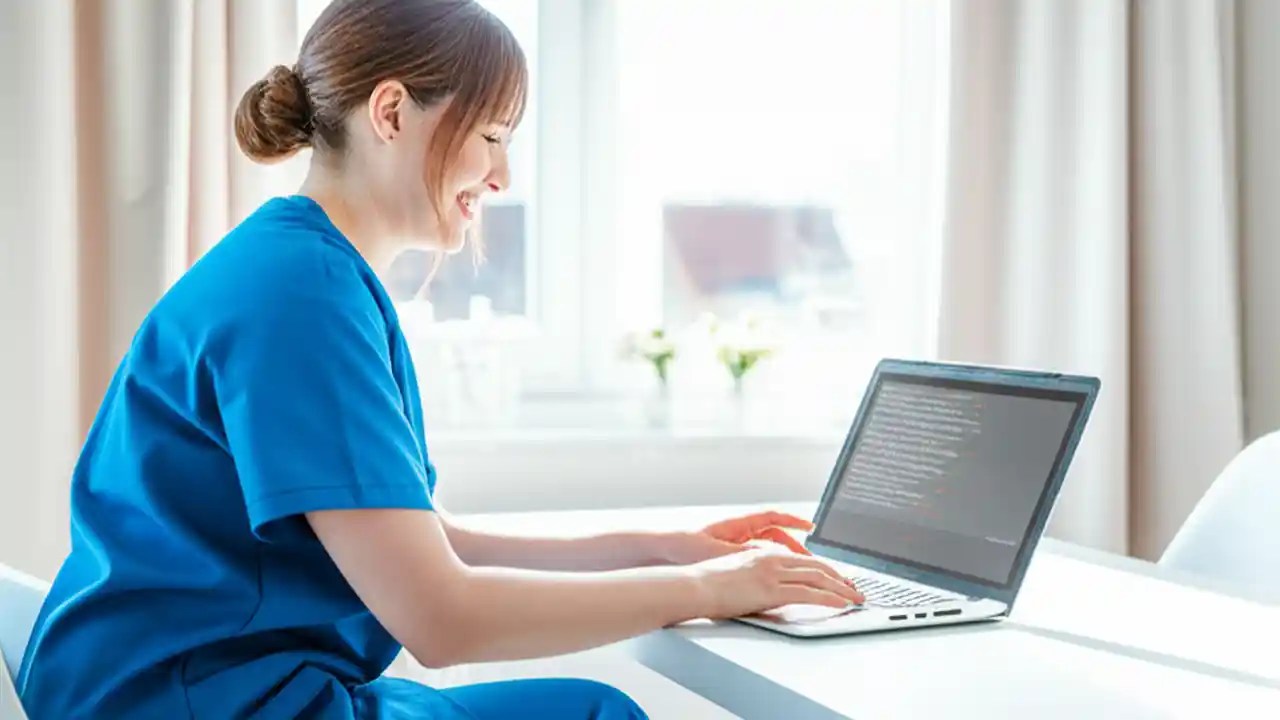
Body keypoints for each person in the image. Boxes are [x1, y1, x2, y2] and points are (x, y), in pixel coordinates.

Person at [16, 1, 864, 717]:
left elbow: (429, 544)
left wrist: (668, 549)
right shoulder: (299, 294)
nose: (500, 175)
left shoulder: (298, 268)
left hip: (188, 686)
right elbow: (441, 616)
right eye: (492, 135)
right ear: (391, 113)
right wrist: (719, 591)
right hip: (198, 701)